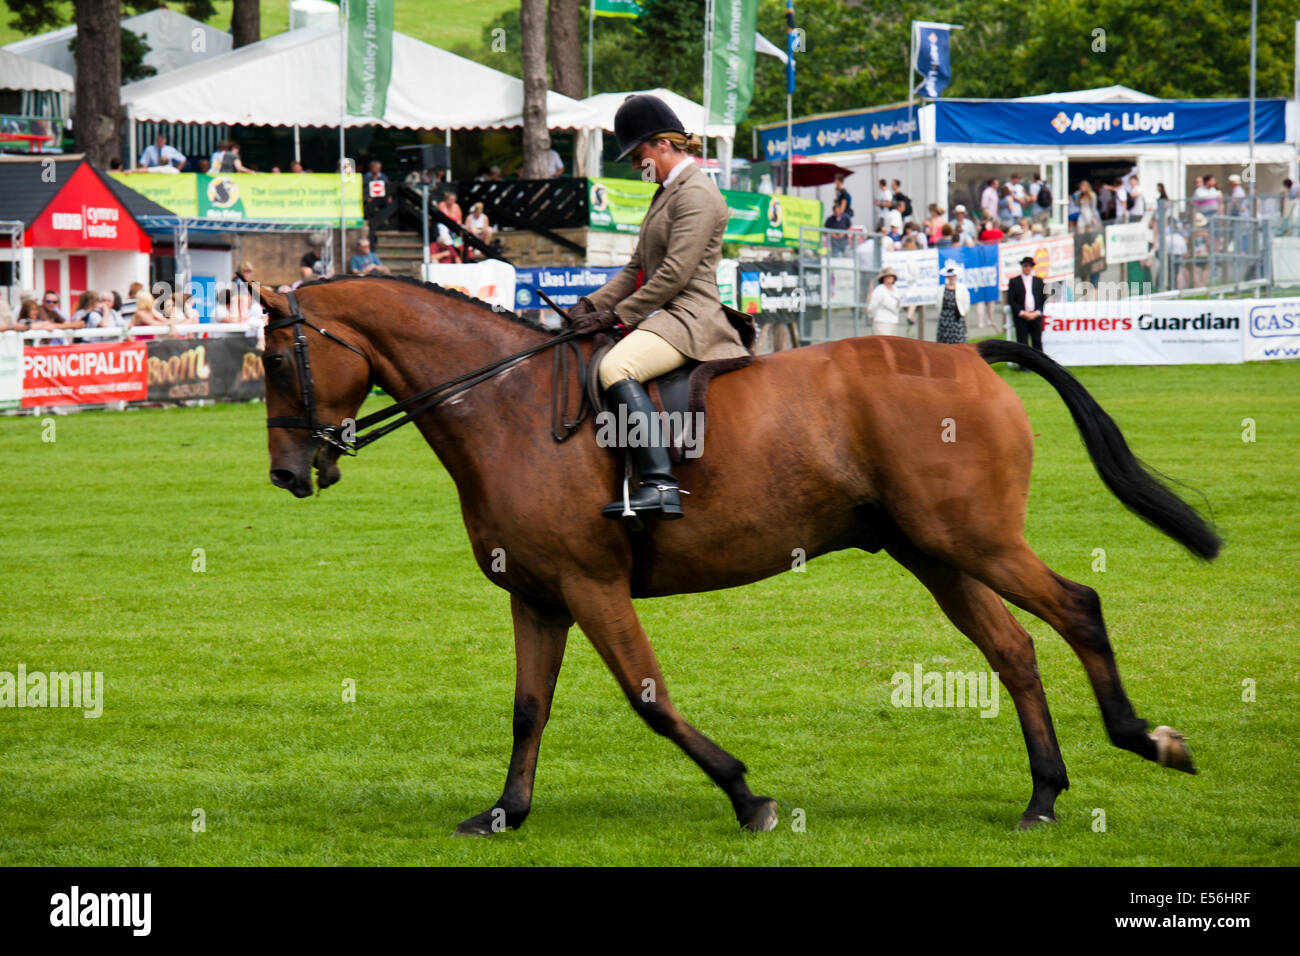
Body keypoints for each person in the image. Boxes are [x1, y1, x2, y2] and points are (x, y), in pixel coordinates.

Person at [565, 94, 751, 523]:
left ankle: (661, 484)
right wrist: (588, 304)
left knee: (616, 368)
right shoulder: (665, 193)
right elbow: (636, 269)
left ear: (663, 144)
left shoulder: (698, 195)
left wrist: (616, 317)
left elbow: (674, 275)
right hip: (663, 313)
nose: (635, 166)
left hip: (691, 317)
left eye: (638, 155)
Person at [1006, 256, 1045, 354]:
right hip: (1022, 316)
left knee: (1037, 341)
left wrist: (1037, 312)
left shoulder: (1038, 281)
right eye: (1025, 266)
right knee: (1022, 342)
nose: (1027, 268)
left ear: (1032, 268)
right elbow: (1011, 300)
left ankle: (1039, 364)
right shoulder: (1014, 282)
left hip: (1035, 315)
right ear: (1022, 267)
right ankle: (1024, 367)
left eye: (1030, 266)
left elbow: (1043, 299)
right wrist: (1022, 313)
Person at [935, 262, 970, 344]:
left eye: (953, 276)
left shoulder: (962, 288)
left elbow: (966, 303)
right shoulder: (941, 289)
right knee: (944, 341)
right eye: (950, 276)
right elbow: (938, 303)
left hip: (957, 316)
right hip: (945, 317)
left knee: (958, 340)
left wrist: (962, 313)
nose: (952, 278)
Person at [866, 267, 902, 333]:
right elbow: (872, 306)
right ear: (883, 278)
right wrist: (871, 316)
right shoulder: (879, 290)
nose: (890, 278)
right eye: (887, 276)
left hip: (893, 321)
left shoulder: (896, 290)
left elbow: (898, 306)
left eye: (891, 276)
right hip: (881, 322)